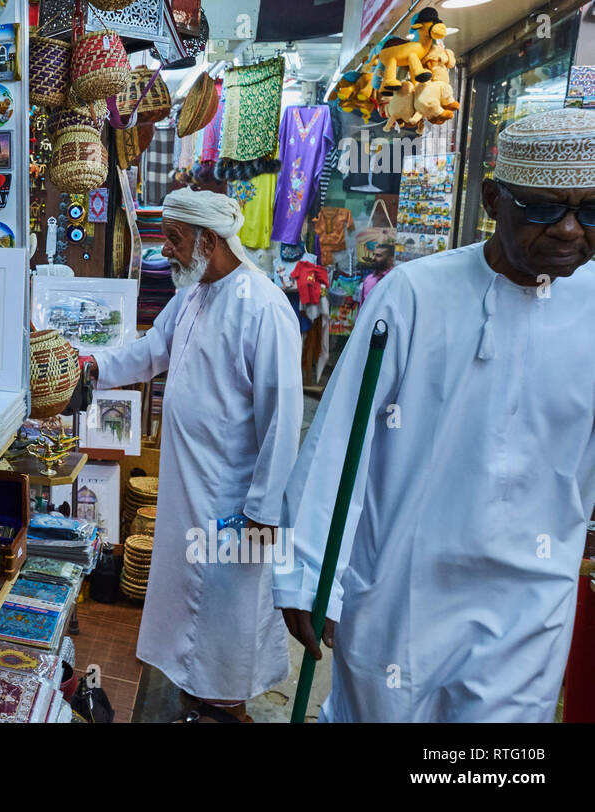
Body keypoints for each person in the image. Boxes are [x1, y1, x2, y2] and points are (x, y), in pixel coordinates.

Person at [276, 108, 595, 722]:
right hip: (403, 588)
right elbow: (342, 439)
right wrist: (309, 573)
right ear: (493, 198)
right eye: (545, 208)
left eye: (592, 212)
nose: (570, 230)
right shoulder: (415, 293)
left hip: (530, 607)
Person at [84, 188, 304, 719]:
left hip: (237, 507)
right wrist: (92, 365)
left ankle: (225, 711)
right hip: (188, 490)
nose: (168, 252)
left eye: (176, 240)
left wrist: (264, 512)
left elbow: (284, 418)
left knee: (229, 630)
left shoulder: (264, 307)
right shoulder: (191, 294)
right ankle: (195, 699)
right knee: (188, 616)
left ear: (209, 240)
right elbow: (150, 352)